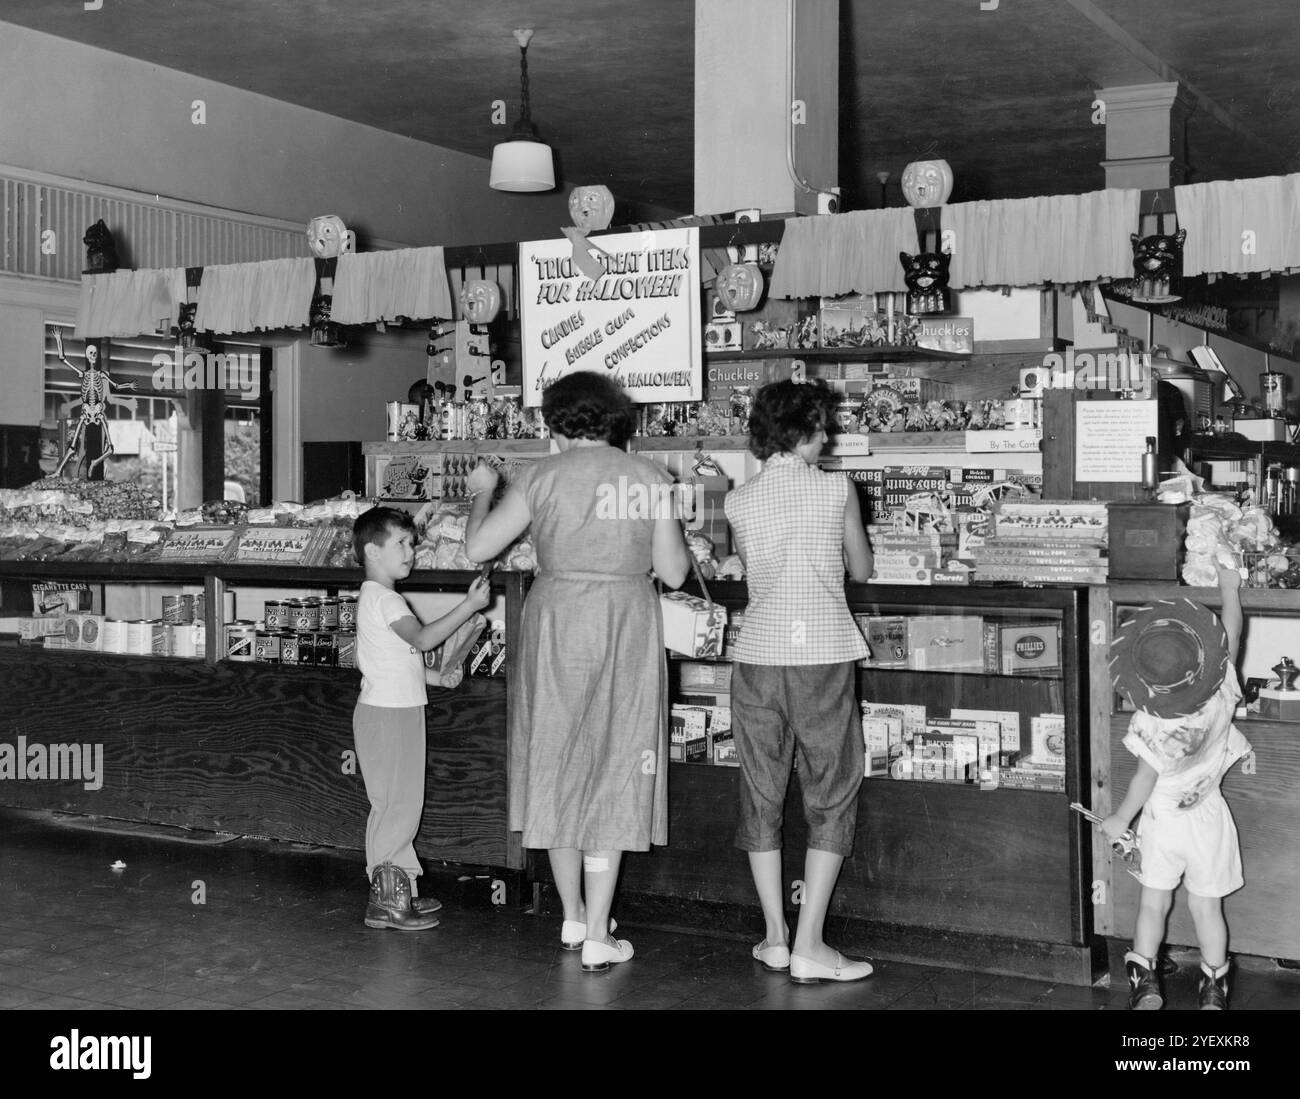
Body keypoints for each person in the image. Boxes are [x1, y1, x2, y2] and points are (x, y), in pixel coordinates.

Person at [464, 372, 691, 972]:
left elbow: (479, 548)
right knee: (615, 759)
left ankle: (570, 915)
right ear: (616, 419)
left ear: (556, 422)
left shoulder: (540, 475)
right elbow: (671, 574)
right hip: (624, 623)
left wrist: (481, 491)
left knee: (556, 757)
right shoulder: (650, 478)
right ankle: (598, 929)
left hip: (555, 621)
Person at [723, 378, 875, 984]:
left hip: (756, 656)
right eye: (823, 426)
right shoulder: (837, 489)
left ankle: (776, 937)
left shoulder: (739, 499)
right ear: (806, 430)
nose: (829, 436)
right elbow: (860, 567)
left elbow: (756, 571)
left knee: (761, 790)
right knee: (831, 790)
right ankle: (812, 940)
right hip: (821, 652)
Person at [1103, 564, 1251, 1010]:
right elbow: (1233, 635)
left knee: (1154, 905)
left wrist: (1118, 819)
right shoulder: (1223, 688)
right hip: (1208, 817)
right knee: (1208, 909)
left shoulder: (1151, 720)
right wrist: (1230, 588)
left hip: (1163, 822)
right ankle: (1213, 988)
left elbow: (1145, 778)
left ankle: (1145, 981)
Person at [351, 505, 492, 931]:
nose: (411, 551)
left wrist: (435, 678)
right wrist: (469, 606)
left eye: (412, 543)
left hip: (388, 711)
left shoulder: (373, 597)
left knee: (393, 804)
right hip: (391, 716)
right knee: (400, 805)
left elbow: (389, 660)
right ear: (373, 551)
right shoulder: (387, 598)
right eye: (401, 543)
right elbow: (425, 638)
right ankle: (390, 900)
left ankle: (395, 892)